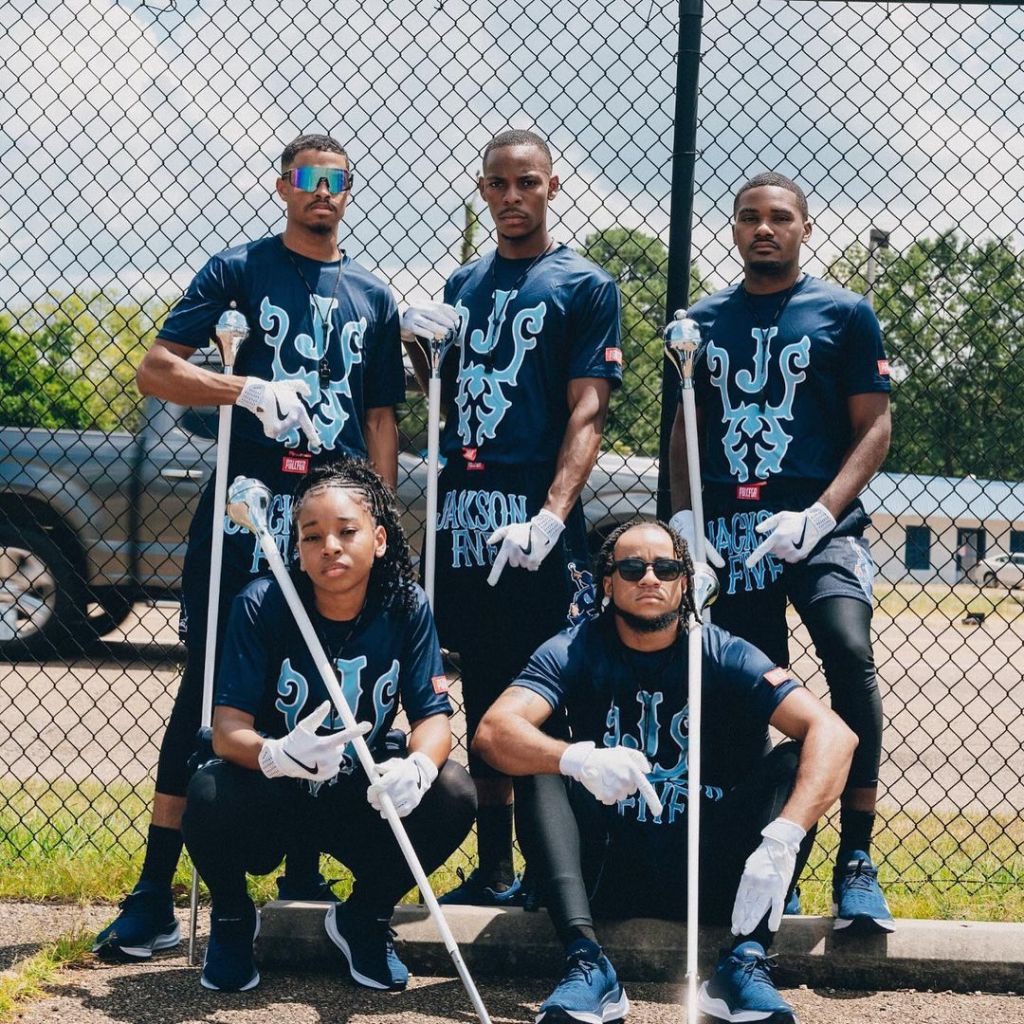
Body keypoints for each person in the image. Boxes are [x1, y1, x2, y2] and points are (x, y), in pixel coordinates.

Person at [94, 134, 405, 961]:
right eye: (307, 178)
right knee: (208, 687)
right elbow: (158, 369)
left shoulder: (374, 296)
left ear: (350, 189)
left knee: (329, 667)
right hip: (249, 505)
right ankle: (155, 892)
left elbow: (379, 418)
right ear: (282, 187)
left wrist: (381, 518)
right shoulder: (237, 270)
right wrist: (246, 387)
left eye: (336, 179)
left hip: (334, 521)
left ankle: (307, 870)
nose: (322, 192)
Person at [474, 519, 857, 1024]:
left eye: (666, 567)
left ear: (684, 582)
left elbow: (836, 734)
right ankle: (587, 964)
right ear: (607, 584)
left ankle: (743, 964)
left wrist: (782, 838)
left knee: (794, 763)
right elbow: (493, 731)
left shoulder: (720, 651)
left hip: (706, 869)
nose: (649, 578)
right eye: (631, 568)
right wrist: (577, 759)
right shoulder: (574, 647)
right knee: (538, 761)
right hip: (604, 868)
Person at [400, 128, 623, 904]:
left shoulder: (585, 285)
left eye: (527, 182)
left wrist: (553, 516)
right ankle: (494, 868)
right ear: (483, 190)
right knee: (484, 687)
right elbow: (438, 397)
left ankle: (553, 871)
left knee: (546, 696)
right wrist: (416, 347)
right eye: (498, 184)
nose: (512, 197)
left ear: (552, 187)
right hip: (463, 516)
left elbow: (587, 410)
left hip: (532, 523)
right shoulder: (465, 283)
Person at [668, 171, 894, 932]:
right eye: (749, 218)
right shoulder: (700, 321)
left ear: (804, 228)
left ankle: (855, 859)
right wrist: (686, 524)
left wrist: (822, 513)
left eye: (779, 218)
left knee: (846, 652)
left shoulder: (844, 313)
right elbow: (685, 432)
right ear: (733, 229)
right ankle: (770, 851)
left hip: (817, 529)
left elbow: (875, 428)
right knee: (745, 697)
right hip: (733, 535)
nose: (763, 229)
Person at [179, 458, 475, 992]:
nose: (329, 547)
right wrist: (275, 754)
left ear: (380, 540)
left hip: (357, 794)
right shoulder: (263, 603)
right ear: (296, 545)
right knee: (205, 790)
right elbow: (226, 731)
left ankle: (365, 916)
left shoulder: (406, 605)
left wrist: (417, 768)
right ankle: (231, 921)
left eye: (346, 532)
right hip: (272, 793)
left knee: (454, 789)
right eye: (311, 536)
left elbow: (435, 722)